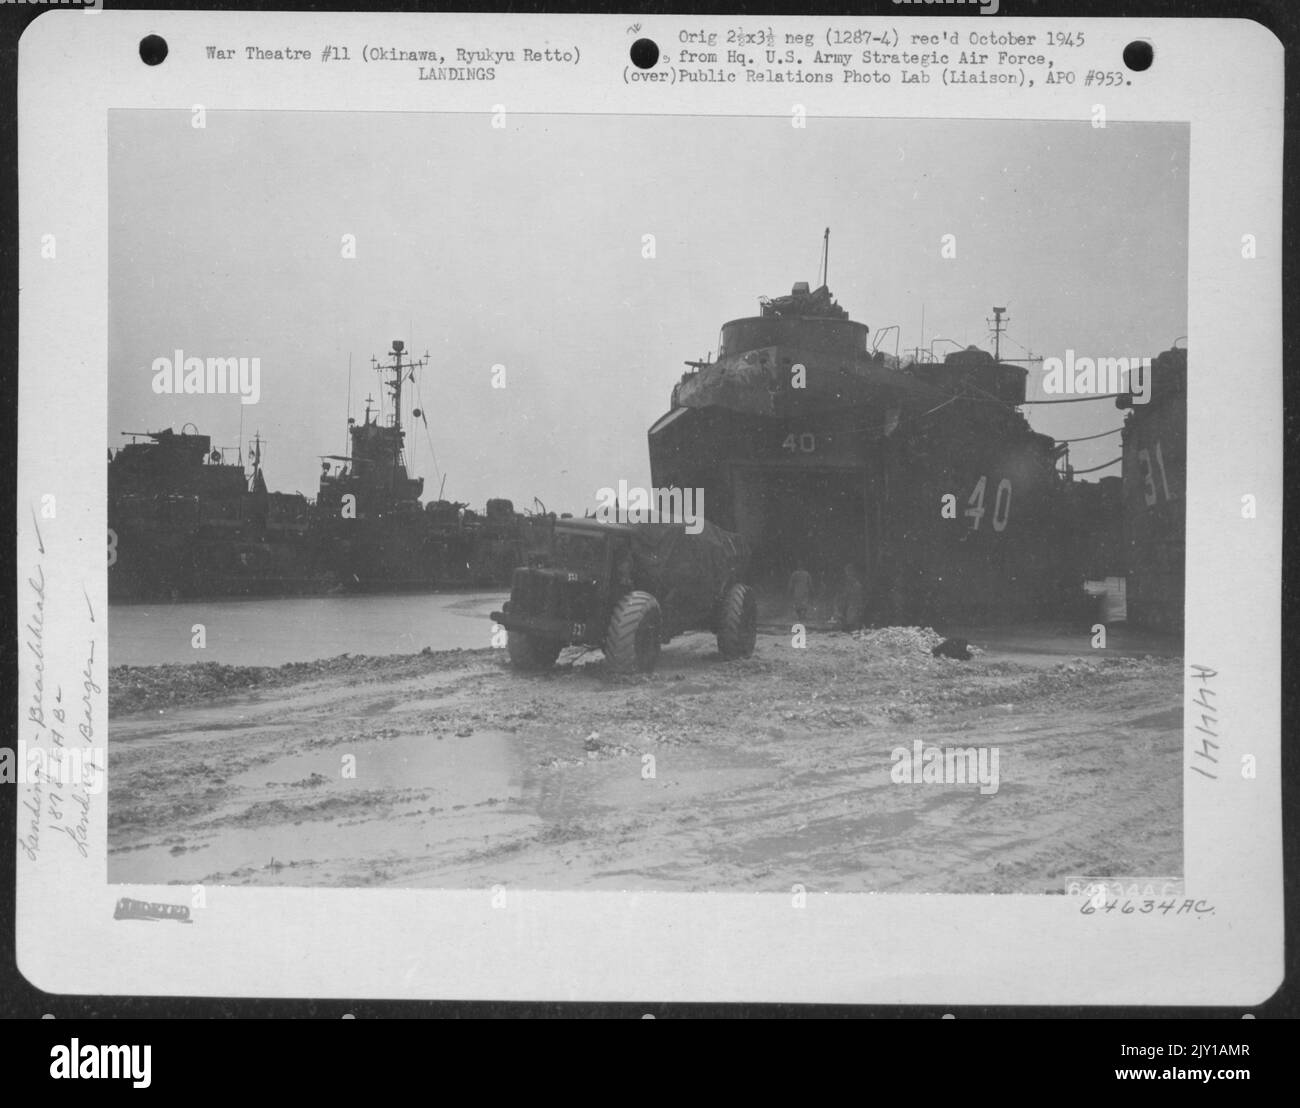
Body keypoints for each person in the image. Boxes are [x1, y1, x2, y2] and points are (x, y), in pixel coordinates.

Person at [836, 563, 866, 632]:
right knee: (847, 613)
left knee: (853, 614)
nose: (847, 573)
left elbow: (858, 592)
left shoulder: (856, 582)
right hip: (849, 600)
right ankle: (848, 626)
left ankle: (852, 627)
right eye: (847, 571)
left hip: (854, 600)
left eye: (849, 571)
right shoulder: (848, 581)